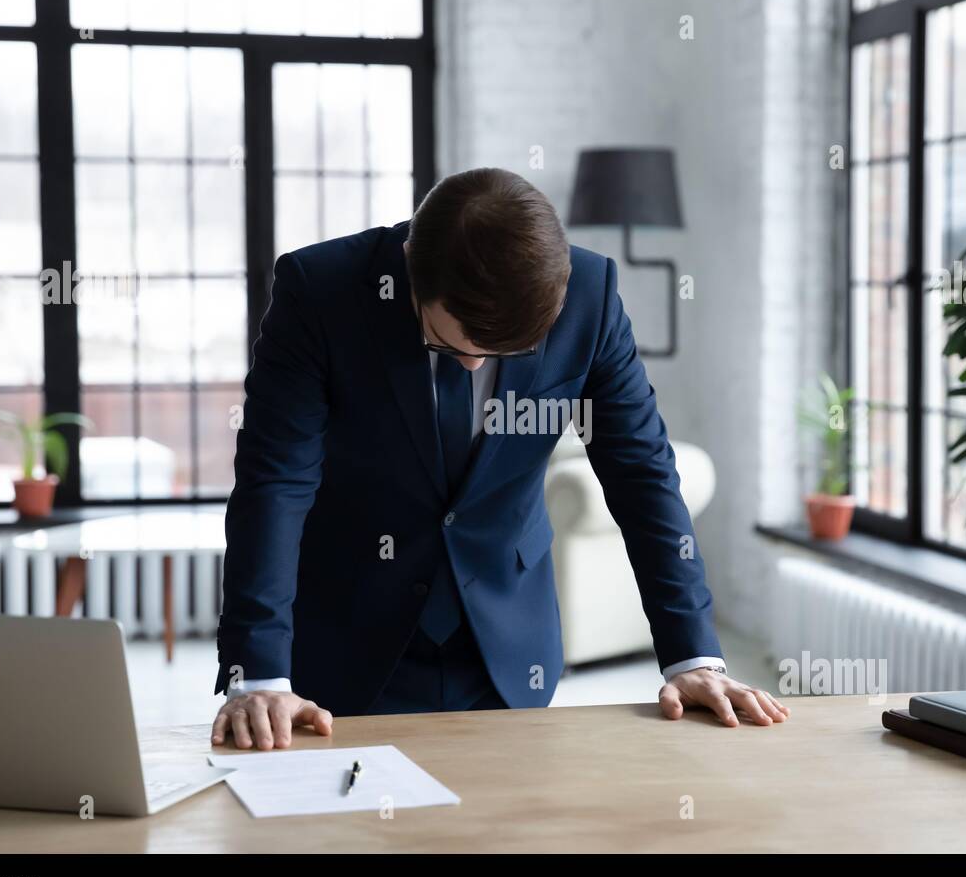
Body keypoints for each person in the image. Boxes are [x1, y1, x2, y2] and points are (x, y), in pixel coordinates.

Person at [211, 167, 788, 750]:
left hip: (508, 646)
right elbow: (275, 482)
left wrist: (691, 655)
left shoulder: (590, 293)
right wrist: (257, 672)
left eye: (499, 351)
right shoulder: (320, 290)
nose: (471, 364)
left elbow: (642, 473)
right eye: (447, 344)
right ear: (413, 265)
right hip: (344, 639)